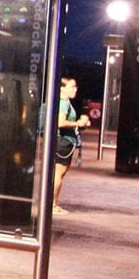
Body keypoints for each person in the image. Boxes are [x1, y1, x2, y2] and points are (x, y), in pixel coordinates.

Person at [52, 76, 93, 214]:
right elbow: (60, 122)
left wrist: (81, 125)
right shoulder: (63, 103)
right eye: (72, 86)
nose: (75, 89)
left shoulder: (64, 102)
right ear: (62, 88)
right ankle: (53, 205)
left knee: (58, 174)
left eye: (75, 86)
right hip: (63, 142)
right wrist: (78, 123)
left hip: (63, 141)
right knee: (58, 174)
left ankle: (53, 204)